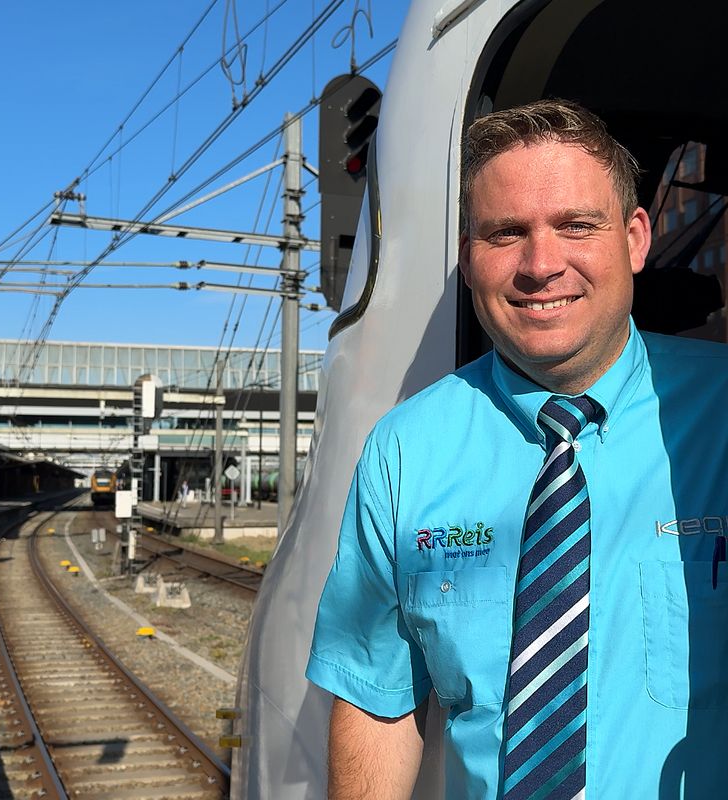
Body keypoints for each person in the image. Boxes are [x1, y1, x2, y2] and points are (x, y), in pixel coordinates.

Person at [306, 99, 728, 799]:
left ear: (634, 239)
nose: (540, 264)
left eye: (576, 226)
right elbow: (380, 701)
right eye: (506, 233)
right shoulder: (405, 452)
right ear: (469, 258)